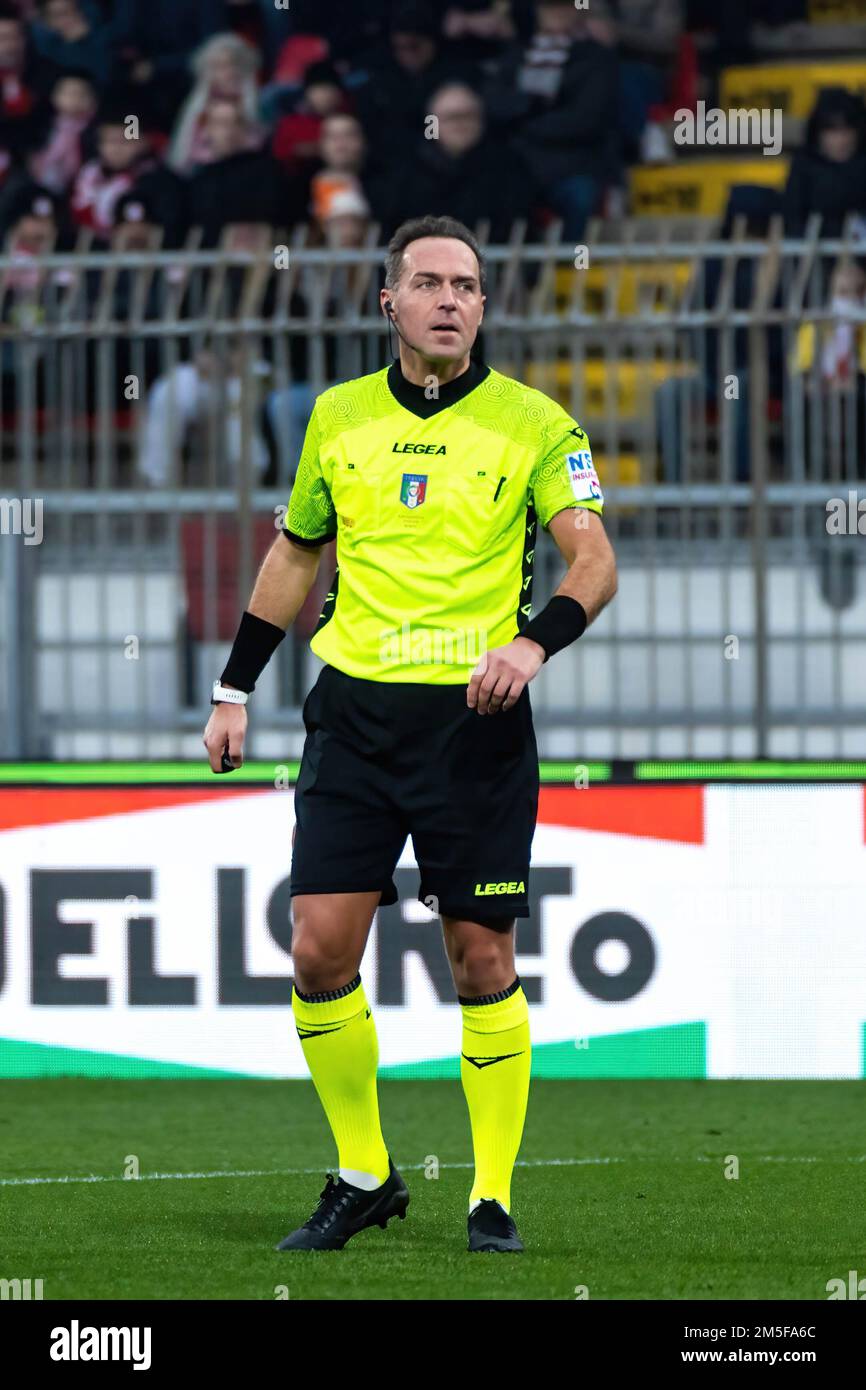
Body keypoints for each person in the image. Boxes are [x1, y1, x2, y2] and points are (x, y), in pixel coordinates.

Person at [202, 214, 618, 1254]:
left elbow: (593, 562)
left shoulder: (534, 424)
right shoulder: (336, 419)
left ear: (483, 305)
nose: (447, 300)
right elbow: (296, 556)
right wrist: (233, 686)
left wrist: (529, 646)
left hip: (471, 723)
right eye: (427, 282)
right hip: (350, 714)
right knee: (316, 949)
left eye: (466, 286)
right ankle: (361, 1172)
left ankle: (488, 1197)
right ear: (386, 301)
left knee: (479, 959)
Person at [483, 0, 620, 237]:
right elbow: (494, 103)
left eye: (564, 6)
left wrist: (524, 123)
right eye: (549, 6)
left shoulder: (596, 57)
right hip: (518, 163)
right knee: (490, 192)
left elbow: (585, 120)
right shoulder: (518, 52)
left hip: (573, 162)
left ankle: (567, 270)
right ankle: (514, 271)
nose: (556, 12)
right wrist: (531, 105)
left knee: (580, 196)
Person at [384, 81, 538, 240]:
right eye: (451, 117)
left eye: (469, 116)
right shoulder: (406, 171)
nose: (460, 124)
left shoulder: (508, 166)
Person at [784, 87, 866, 237]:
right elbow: (793, 219)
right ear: (818, 134)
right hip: (814, 255)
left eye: (847, 130)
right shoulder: (804, 166)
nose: (841, 140)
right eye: (832, 131)